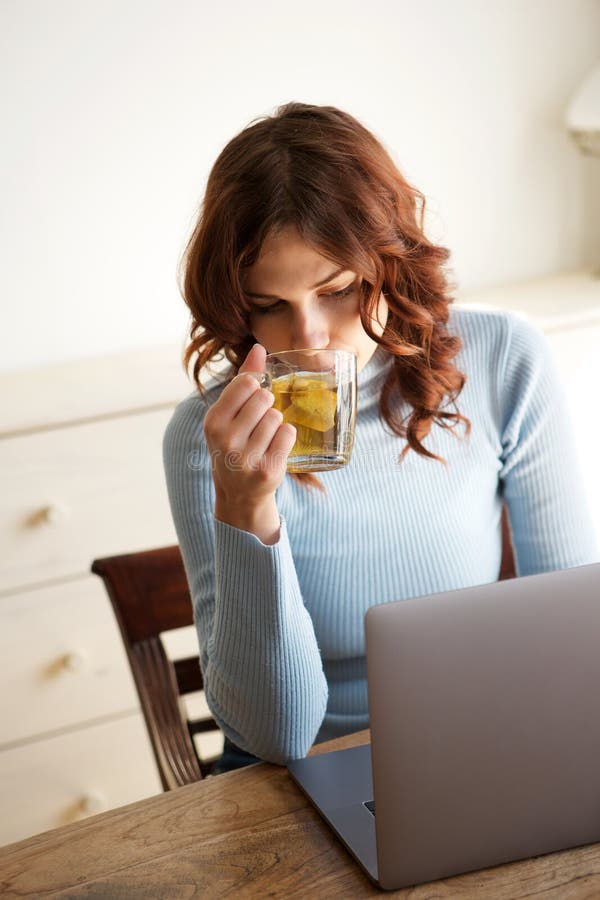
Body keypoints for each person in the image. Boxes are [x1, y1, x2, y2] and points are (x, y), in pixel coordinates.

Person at [163, 102, 599, 773]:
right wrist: (247, 510)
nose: (306, 336)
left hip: (477, 745)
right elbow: (277, 737)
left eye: (336, 289)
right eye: (269, 305)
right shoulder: (209, 436)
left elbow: (573, 632)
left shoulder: (504, 359)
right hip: (300, 775)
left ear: (389, 264)